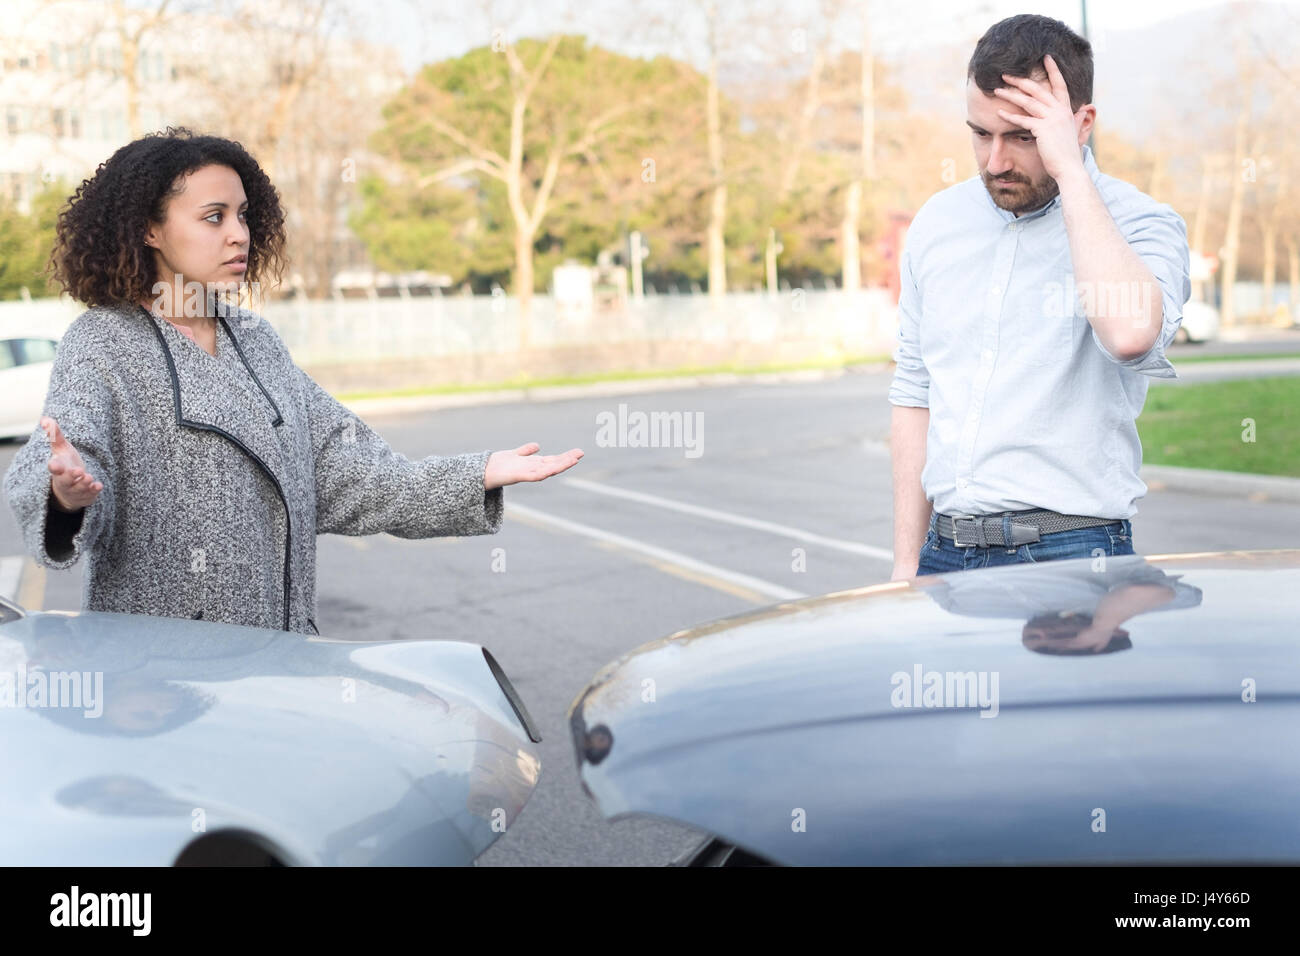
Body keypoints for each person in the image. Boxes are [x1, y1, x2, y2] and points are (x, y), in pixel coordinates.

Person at [3, 127, 582, 635]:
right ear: (149, 230)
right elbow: (64, 457)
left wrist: (476, 473)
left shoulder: (256, 341)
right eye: (214, 217)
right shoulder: (104, 340)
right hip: (161, 685)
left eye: (244, 215)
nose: (239, 234)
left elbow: (352, 474)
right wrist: (65, 494)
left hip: (282, 662)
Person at [888, 14, 1191, 580]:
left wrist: (1069, 173)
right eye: (981, 134)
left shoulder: (1142, 223)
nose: (996, 161)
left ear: (1081, 124)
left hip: (1072, 552)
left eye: (1023, 136)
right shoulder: (938, 222)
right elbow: (914, 392)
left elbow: (1129, 336)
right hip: (942, 554)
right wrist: (907, 564)